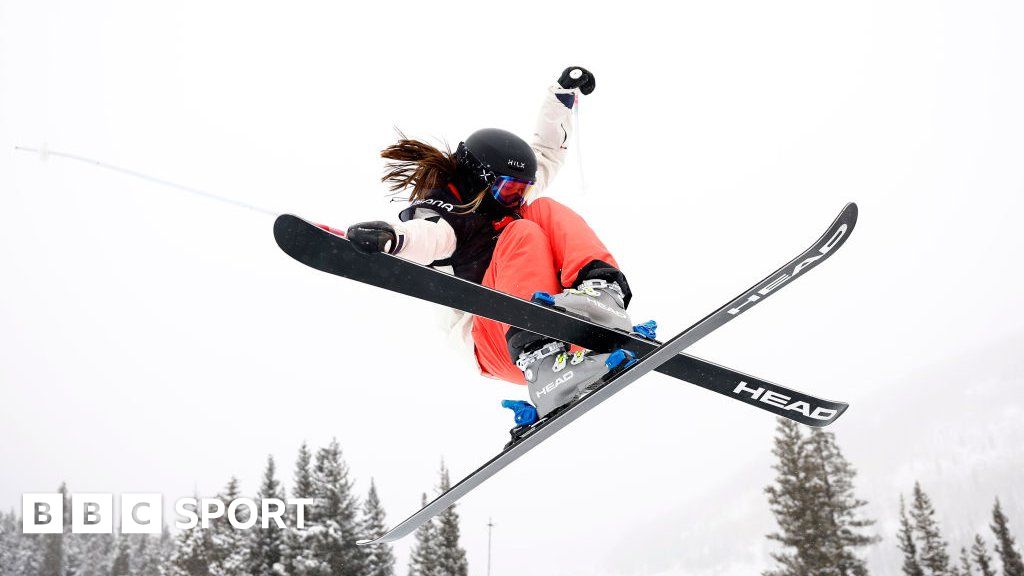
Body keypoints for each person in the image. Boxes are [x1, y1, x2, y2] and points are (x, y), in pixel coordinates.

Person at [346, 67, 644, 426]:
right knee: (523, 232)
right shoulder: (451, 219)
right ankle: (543, 363)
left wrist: (562, 97)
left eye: (520, 189)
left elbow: (546, 154)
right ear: (480, 180)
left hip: (552, 323)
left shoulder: (508, 205)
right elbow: (424, 237)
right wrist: (392, 238)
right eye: (508, 190)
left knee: (543, 209)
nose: (514, 198)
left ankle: (601, 295)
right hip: (494, 341)